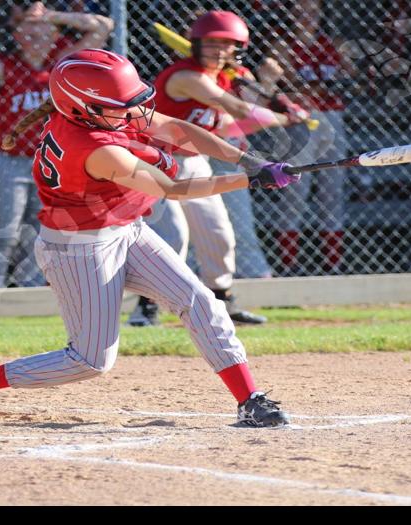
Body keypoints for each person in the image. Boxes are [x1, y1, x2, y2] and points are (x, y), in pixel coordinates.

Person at [0, 48, 300, 428]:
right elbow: (174, 187)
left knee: (202, 303)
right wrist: (251, 179)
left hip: (127, 230)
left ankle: (249, 399)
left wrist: (247, 159)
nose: (133, 110)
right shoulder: (94, 148)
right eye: (121, 104)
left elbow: (177, 130)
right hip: (79, 250)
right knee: (90, 360)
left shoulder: (105, 112)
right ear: (83, 108)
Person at [132, 10, 309, 328]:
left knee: (219, 234)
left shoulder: (222, 79)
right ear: (195, 44)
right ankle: (146, 309)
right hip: (156, 162)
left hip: (193, 162)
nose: (219, 51)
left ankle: (222, 300)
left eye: (227, 45)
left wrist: (268, 91)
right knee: (172, 237)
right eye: (211, 44)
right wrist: (284, 115)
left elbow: (228, 125)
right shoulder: (186, 76)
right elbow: (238, 107)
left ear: (238, 49)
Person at [0, 1, 115, 291]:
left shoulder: (62, 62)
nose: (35, 32)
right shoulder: (3, 65)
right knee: (2, 231)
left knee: (46, 232)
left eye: (43, 26)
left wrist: (52, 15)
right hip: (4, 161)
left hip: (51, 162)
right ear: (15, 32)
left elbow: (104, 26)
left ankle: (34, 293)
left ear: (55, 31)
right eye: (28, 25)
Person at [271, 0, 349, 275]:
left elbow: (352, 78)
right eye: (300, 10)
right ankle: (288, 265)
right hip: (300, 122)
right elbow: (293, 85)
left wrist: (322, 86)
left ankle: (333, 264)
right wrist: (321, 86)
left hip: (333, 119)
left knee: (332, 191)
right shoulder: (284, 45)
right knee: (296, 192)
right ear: (291, 13)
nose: (306, 16)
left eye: (312, 11)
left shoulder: (333, 44)